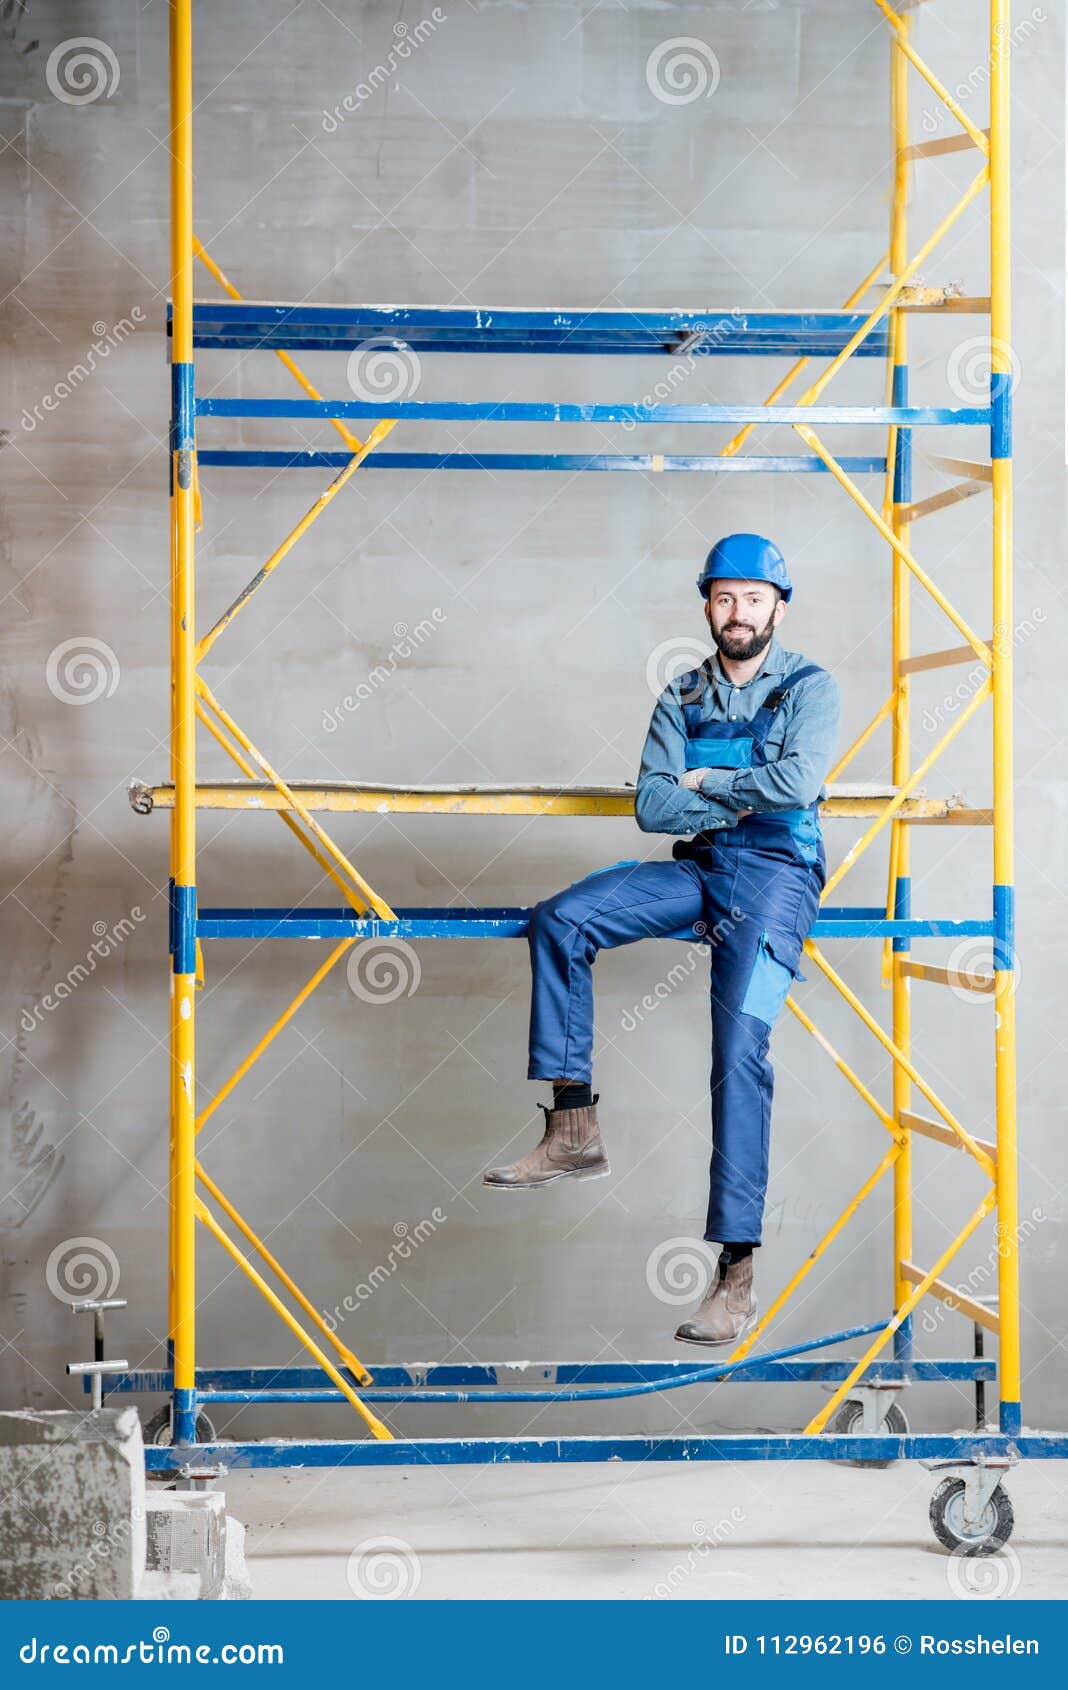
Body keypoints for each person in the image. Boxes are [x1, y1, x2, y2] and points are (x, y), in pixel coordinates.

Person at [483, 534, 841, 1346]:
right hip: (703, 867)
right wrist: (730, 805)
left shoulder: (811, 691)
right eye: (724, 597)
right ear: (706, 605)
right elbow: (651, 804)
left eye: (754, 597)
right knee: (562, 918)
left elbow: (795, 787)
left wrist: (707, 782)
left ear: (779, 605)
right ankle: (572, 1129)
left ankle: (736, 1269)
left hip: (779, 882)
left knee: (738, 1048)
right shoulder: (681, 694)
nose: (738, 612)